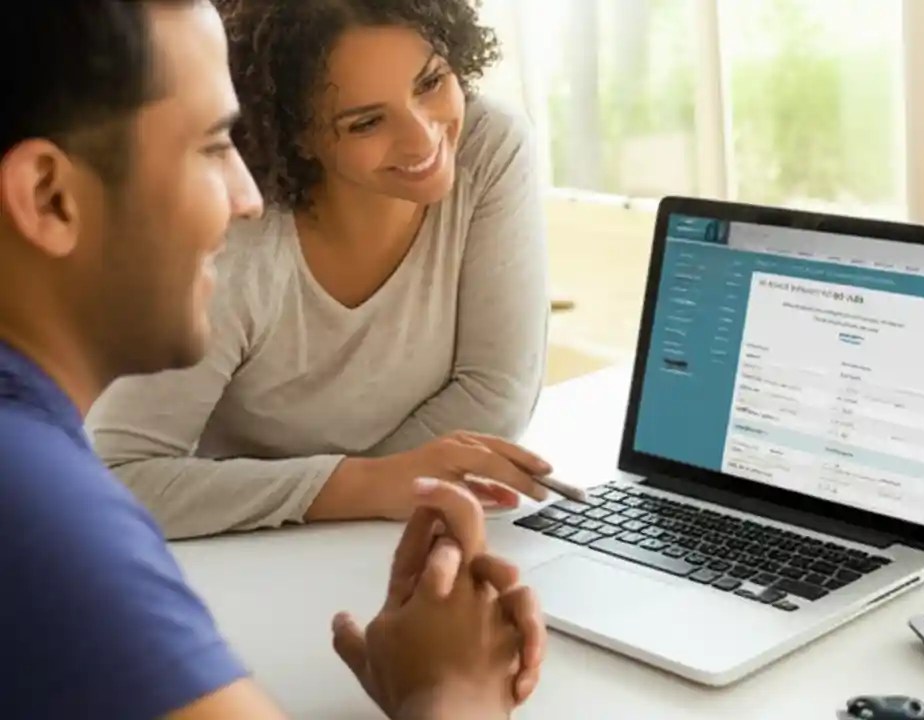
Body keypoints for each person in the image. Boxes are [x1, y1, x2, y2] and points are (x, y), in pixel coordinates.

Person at [0, 2, 543, 718]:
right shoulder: (39, 512)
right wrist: (455, 693)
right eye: (215, 145)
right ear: (48, 194)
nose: (252, 198)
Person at [87, 0, 553, 539]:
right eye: (367, 122)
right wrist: (369, 486)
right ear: (297, 134)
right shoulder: (238, 239)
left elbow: (496, 396)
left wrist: (385, 490)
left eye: (430, 82)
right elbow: (114, 478)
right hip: (253, 558)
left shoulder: (488, 148)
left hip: (386, 537)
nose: (424, 139)